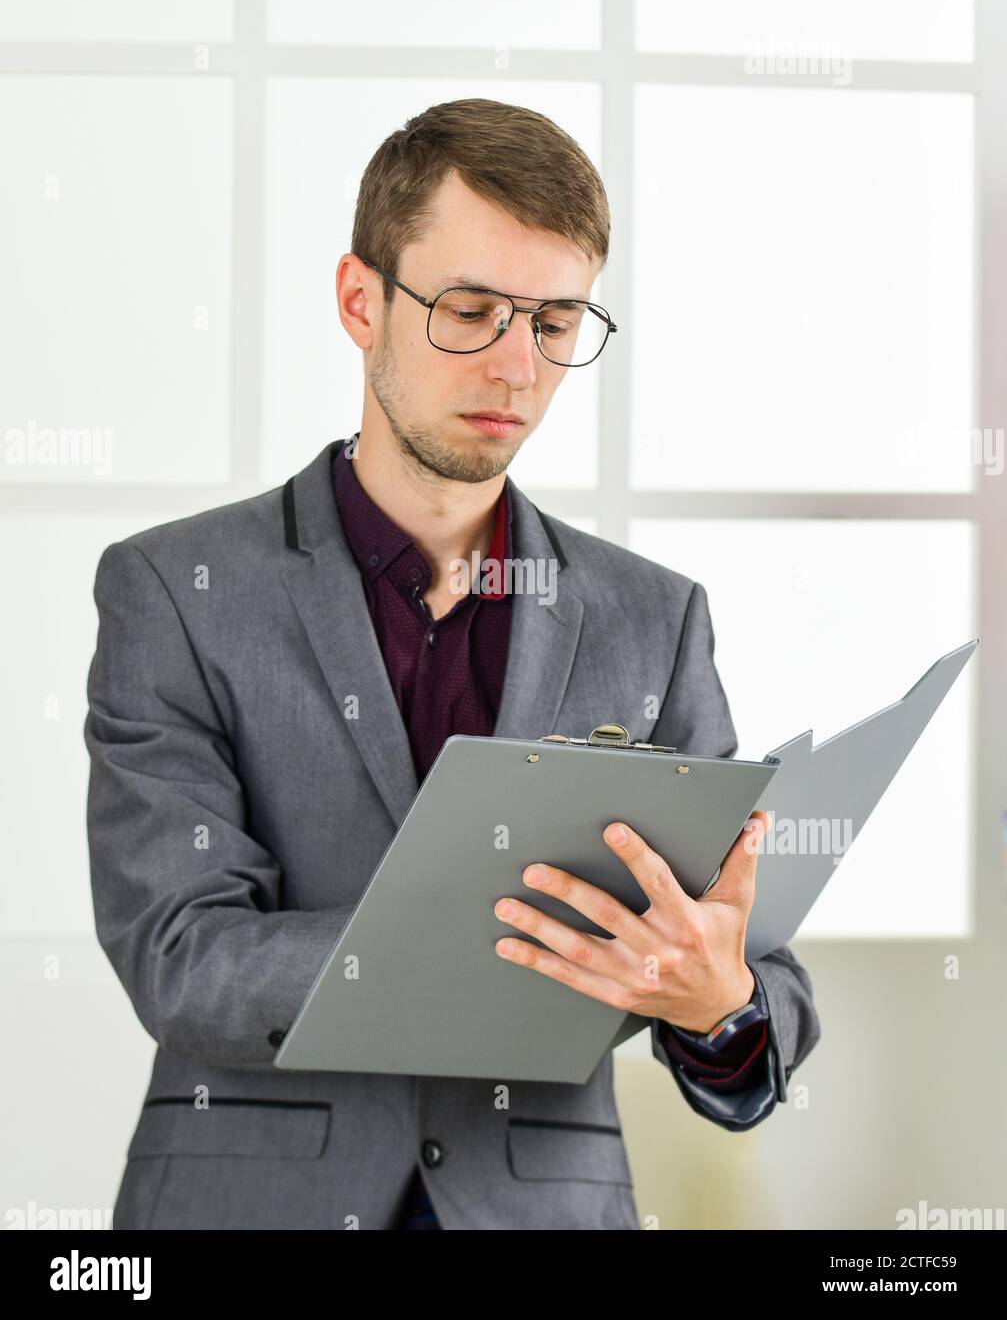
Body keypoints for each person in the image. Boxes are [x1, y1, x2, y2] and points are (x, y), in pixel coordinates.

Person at [85, 97, 820, 1231]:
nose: (516, 366)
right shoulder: (175, 592)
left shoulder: (652, 619)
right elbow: (181, 959)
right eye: (470, 310)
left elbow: (751, 982)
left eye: (555, 319)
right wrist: (486, 939)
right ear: (359, 300)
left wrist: (717, 1001)